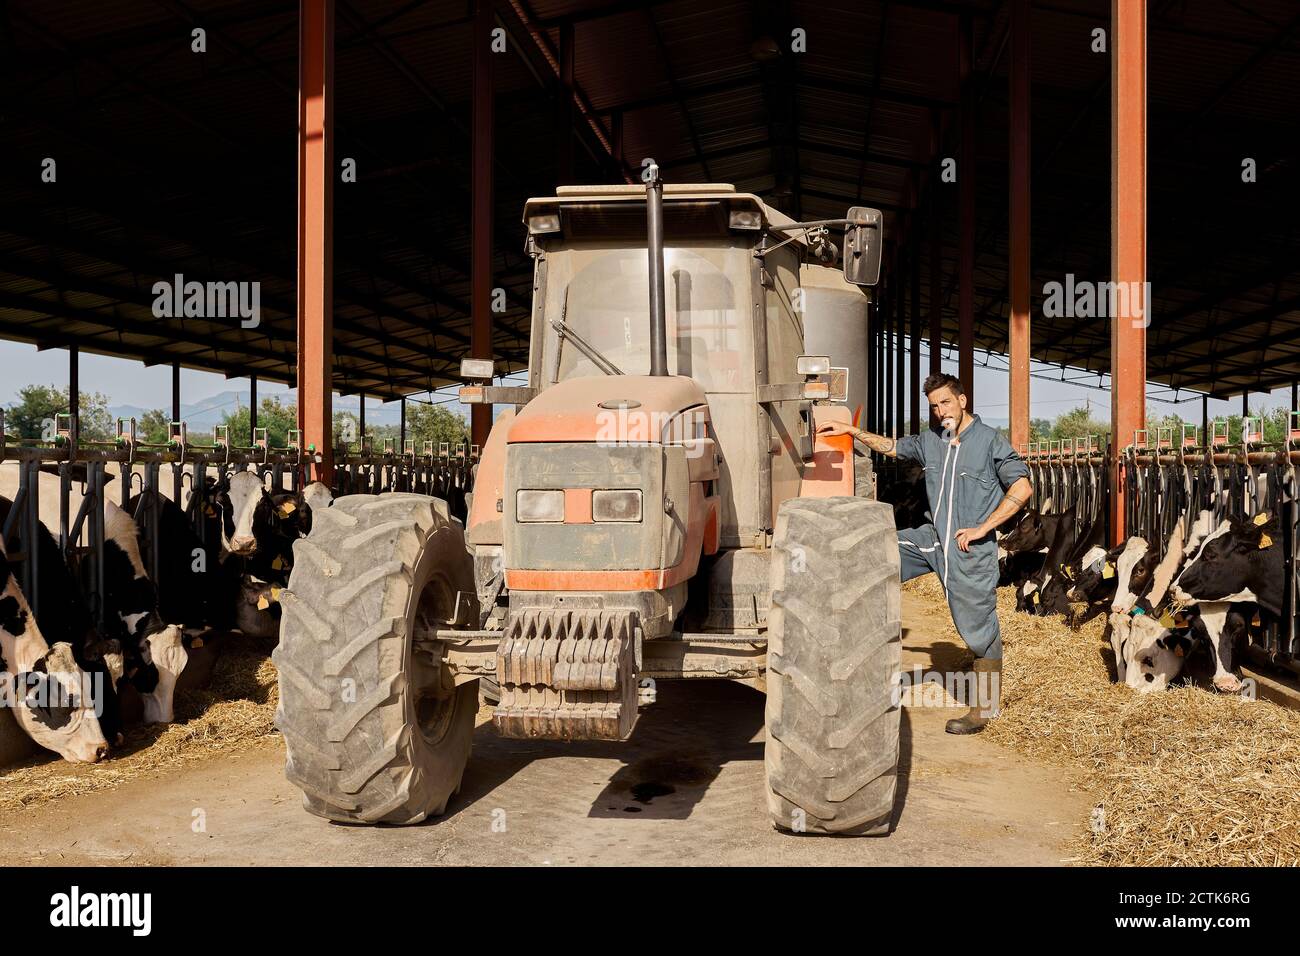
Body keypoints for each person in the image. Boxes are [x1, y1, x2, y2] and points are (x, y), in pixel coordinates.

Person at [817, 373, 1033, 734]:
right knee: (875, 550)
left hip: (970, 550)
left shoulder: (990, 442)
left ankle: (986, 708)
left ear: (963, 401)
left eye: (945, 402)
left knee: (979, 632)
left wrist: (984, 528)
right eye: (933, 405)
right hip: (932, 539)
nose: (939, 410)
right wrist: (850, 430)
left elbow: (1023, 487)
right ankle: (847, 662)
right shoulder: (931, 442)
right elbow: (889, 446)